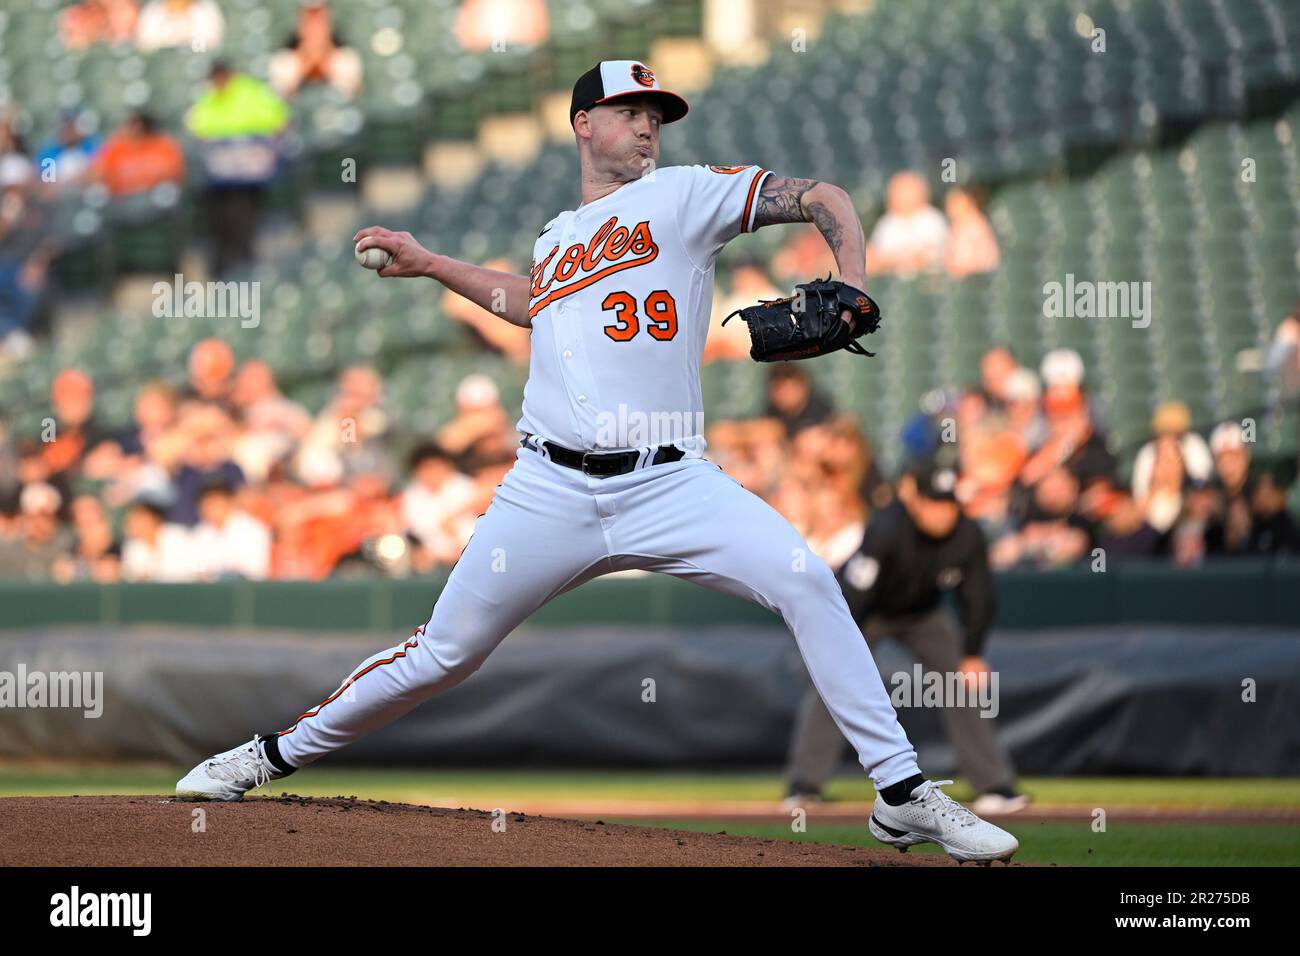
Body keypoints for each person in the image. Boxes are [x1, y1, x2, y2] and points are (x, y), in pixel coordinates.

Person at [177, 60, 1018, 864]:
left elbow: (823, 196)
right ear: (584, 124)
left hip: (671, 479)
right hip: (548, 487)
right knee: (445, 653)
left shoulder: (685, 195)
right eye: (631, 113)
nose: (649, 127)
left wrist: (855, 279)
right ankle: (266, 755)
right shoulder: (560, 234)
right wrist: (434, 265)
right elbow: (533, 304)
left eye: (656, 116)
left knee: (805, 577)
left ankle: (900, 789)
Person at [783, 451, 1028, 816]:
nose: (941, 513)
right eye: (933, 503)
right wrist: (833, 647)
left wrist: (973, 652)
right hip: (868, 614)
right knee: (833, 681)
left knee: (962, 681)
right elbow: (855, 595)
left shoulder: (968, 534)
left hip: (924, 615)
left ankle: (994, 785)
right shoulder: (887, 529)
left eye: (948, 504)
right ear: (916, 500)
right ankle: (804, 785)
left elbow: (978, 596)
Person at [864, 171, 948, 276]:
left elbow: (927, 257)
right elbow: (875, 257)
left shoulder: (933, 219)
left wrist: (893, 260)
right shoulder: (887, 222)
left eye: (902, 191)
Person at [89, 112, 185, 197]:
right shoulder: (113, 145)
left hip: (152, 197)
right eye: (132, 125)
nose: (137, 129)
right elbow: (97, 172)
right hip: (121, 199)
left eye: (141, 125)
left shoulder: (163, 144)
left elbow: (175, 172)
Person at [943, 186, 1000, 278]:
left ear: (970, 202)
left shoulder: (978, 226)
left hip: (978, 282)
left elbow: (984, 263)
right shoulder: (955, 227)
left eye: (956, 202)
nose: (950, 206)